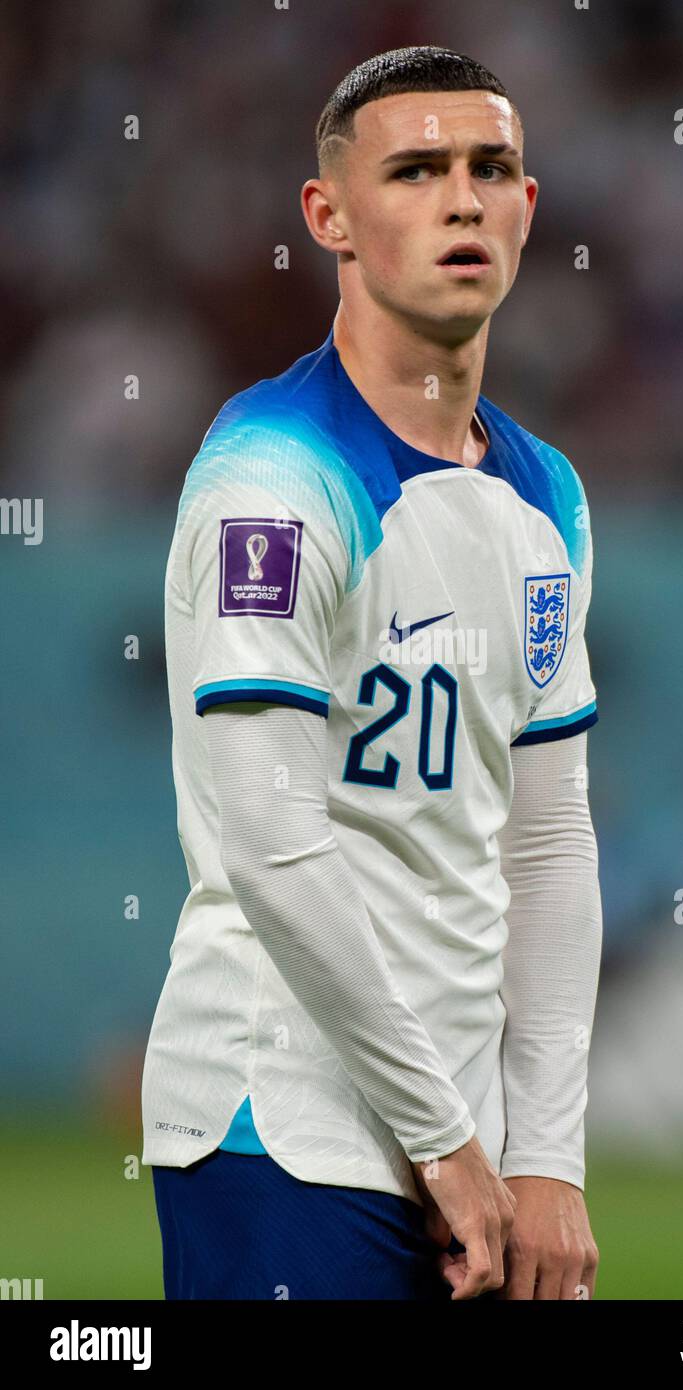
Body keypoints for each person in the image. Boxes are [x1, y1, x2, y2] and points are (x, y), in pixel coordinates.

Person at [142, 44, 603, 1302]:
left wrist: (545, 1154)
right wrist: (446, 1141)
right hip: (282, 1126)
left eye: (489, 167)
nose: (462, 198)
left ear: (525, 207)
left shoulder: (544, 495)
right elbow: (273, 845)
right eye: (415, 170)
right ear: (329, 215)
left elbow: (549, 843)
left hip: (471, 1157)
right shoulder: (274, 484)